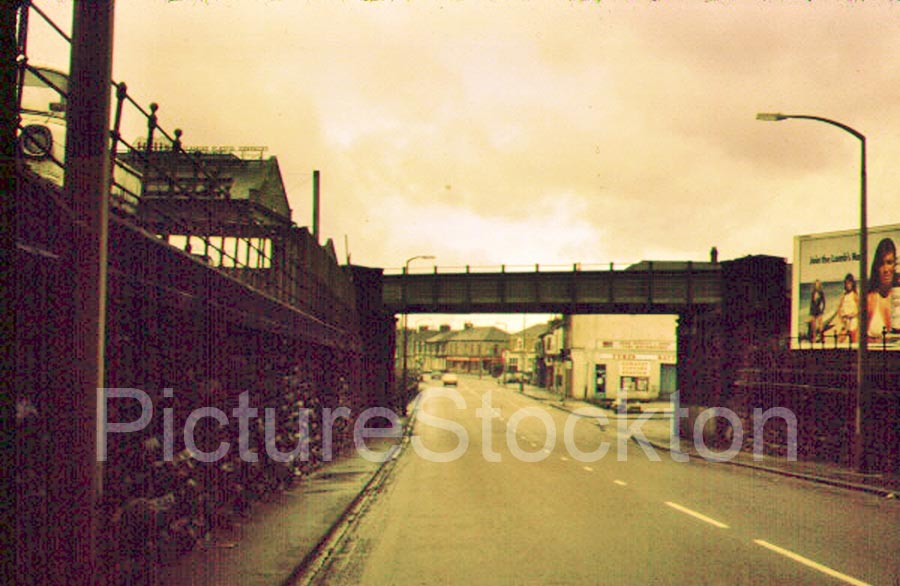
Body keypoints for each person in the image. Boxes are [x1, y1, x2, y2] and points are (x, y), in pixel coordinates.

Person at [866, 237, 896, 341]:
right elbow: (861, 341)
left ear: (895, 265)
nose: (886, 269)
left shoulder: (897, 297)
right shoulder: (870, 299)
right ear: (876, 267)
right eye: (881, 264)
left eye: (889, 262)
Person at [834, 273, 859, 343]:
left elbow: (860, 308)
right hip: (845, 320)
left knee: (853, 341)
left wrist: (853, 315)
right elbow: (839, 307)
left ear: (852, 284)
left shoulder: (855, 295)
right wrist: (841, 318)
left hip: (853, 320)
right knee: (840, 340)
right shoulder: (844, 295)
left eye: (850, 283)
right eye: (847, 283)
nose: (848, 285)